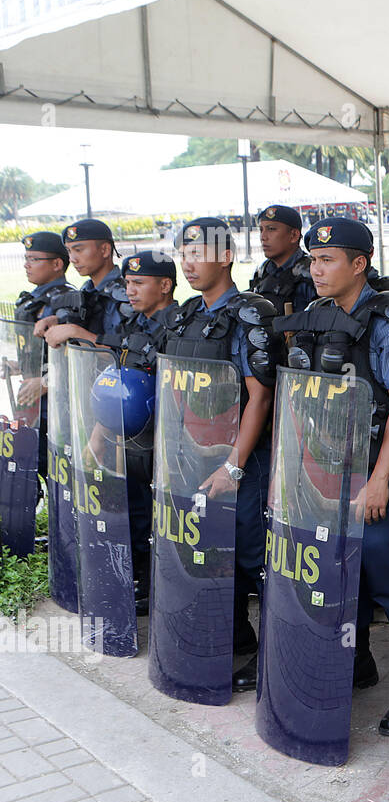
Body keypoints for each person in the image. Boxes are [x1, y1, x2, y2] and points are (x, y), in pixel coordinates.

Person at [275, 217, 389, 735]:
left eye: (327, 260)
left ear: (359, 264)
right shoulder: (316, 316)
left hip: (376, 469)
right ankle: (359, 660)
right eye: (312, 260)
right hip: (326, 468)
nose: (316, 269)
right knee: (336, 565)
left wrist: (380, 478)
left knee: (384, 567)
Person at [160, 218, 283, 685]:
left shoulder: (249, 314)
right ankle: (236, 635)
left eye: (198, 254)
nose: (188, 263)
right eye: (184, 254)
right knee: (209, 550)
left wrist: (233, 465)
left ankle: (273, 649)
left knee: (255, 558)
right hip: (195, 457)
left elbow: (262, 396)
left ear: (225, 256)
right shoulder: (188, 313)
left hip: (242, 464)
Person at [93, 251, 181, 615]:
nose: (130, 290)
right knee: (139, 514)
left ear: (165, 285)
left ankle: (167, 588)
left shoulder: (180, 323)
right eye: (128, 283)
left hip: (170, 441)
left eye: (139, 283)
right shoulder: (135, 325)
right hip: (134, 441)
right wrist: (100, 431)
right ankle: (144, 582)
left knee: (167, 520)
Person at [14, 232, 73, 478]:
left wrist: (47, 382)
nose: (27, 265)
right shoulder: (33, 298)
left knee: (60, 472)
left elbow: (77, 358)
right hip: (33, 400)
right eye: (26, 258)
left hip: (60, 402)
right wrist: (16, 365)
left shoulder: (66, 300)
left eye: (34, 259)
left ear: (57, 264)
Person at [34, 218, 128, 349]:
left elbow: (129, 351)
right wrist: (58, 321)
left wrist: (75, 332)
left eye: (78, 250)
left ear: (105, 250)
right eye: (69, 251)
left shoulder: (127, 293)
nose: (72, 259)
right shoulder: (88, 290)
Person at [248, 205, 316, 317]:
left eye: (271, 229)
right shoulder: (262, 271)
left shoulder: (311, 273)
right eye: (261, 230)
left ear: (294, 235)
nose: (263, 237)